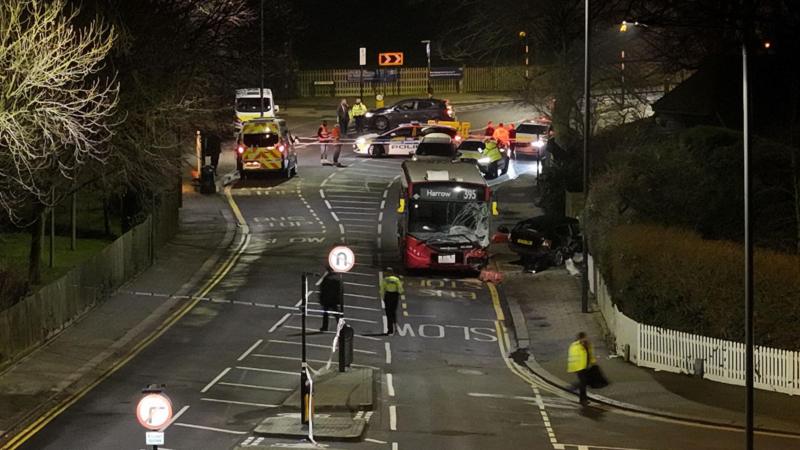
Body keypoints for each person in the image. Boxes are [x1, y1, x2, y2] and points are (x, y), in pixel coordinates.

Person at [567, 331, 596, 405]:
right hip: (579, 367)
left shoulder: (588, 344)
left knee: (585, 382)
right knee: (583, 383)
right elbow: (573, 357)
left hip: (586, 366)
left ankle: (574, 388)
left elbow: (590, 354)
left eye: (585, 337)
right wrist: (573, 368)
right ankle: (583, 400)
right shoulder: (575, 346)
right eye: (583, 338)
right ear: (580, 338)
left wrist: (593, 362)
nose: (585, 339)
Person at [379, 267, 404, 335]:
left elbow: (382, 289)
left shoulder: (385, 280)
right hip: (394, 296)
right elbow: (400, 289)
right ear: (392, 272)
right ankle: (396, 327)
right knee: (393, 312)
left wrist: (383, 298)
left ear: (387, 273)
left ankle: (390, 330)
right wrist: (398, 293)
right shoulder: (396, 280)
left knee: (388, 313)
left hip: (388, 296)